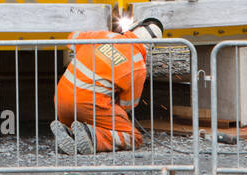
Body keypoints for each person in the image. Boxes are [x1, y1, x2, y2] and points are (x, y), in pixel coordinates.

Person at [51, 17, 163, 154]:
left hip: (61, 101)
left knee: (93, 113)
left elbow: (72, 38)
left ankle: (69, 132)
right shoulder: (138, 66)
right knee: (134, 137)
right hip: (88, 105)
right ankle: (93, 137)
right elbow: (127, 105)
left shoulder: (104, 35)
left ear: (133, 28)